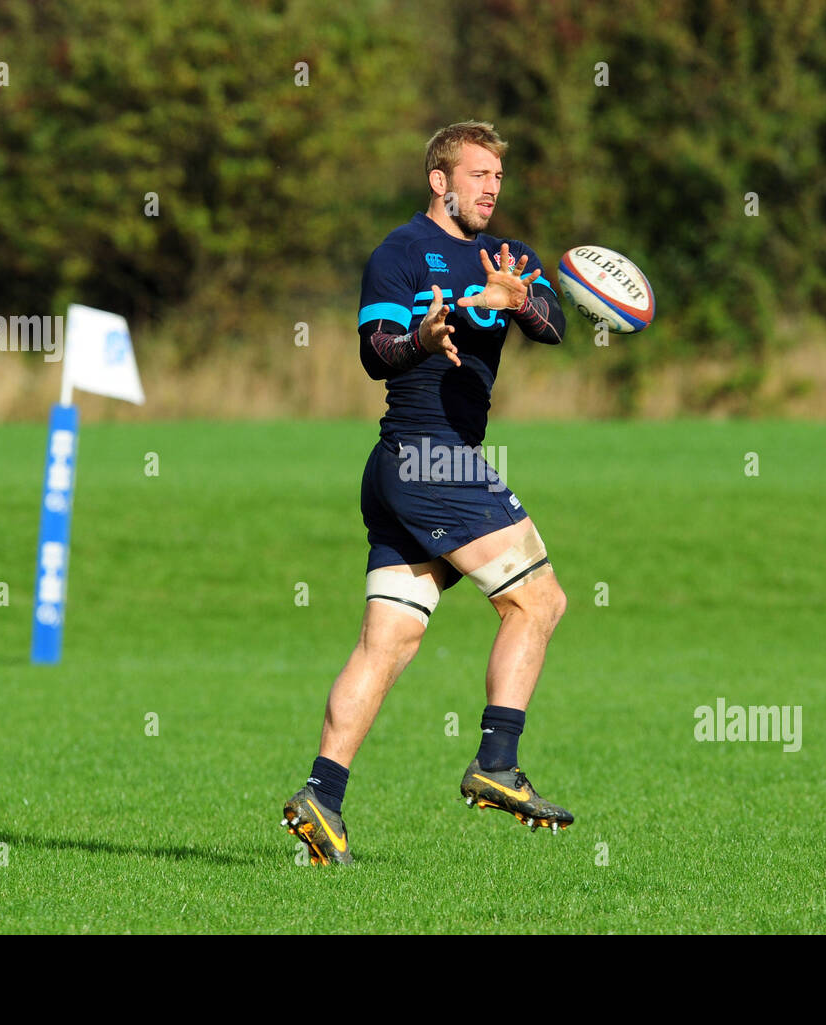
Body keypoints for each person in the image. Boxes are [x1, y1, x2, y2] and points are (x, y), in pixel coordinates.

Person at [281, 121, 571, 864]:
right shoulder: (400, 253)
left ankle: (323, 795)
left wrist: (513, 298)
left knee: (390, 639)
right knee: (538, 600)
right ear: (439, 180)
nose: (491, 189)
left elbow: (553, 327)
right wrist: (426, 332)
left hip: (408, 471)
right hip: (426, 459)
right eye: (477, 175)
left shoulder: (512, 258)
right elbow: (375, 351)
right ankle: (496, 763)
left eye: (498, 178)